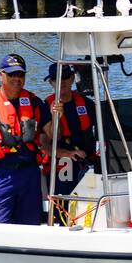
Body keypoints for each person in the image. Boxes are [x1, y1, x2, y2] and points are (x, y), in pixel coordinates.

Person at [0, 54, 54, 224]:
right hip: (1, 175)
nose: (17, 78)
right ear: (1, 75)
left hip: (29, 174)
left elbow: (51, 135)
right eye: (12, 74)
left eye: (20, 74)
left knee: (30, 226)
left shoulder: (35, 103)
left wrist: (57, 115)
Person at [40, 62, 97, 198]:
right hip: (62, 165)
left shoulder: (88, 104)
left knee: (90, 202)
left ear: (72, 79)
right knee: (64, 206)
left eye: (65, 77)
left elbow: (102, 133)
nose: (62, 82)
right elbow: (45, 145)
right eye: (56, 79)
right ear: (51, 83)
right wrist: (68, 154)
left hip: (87, 164)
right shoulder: (45, 107)